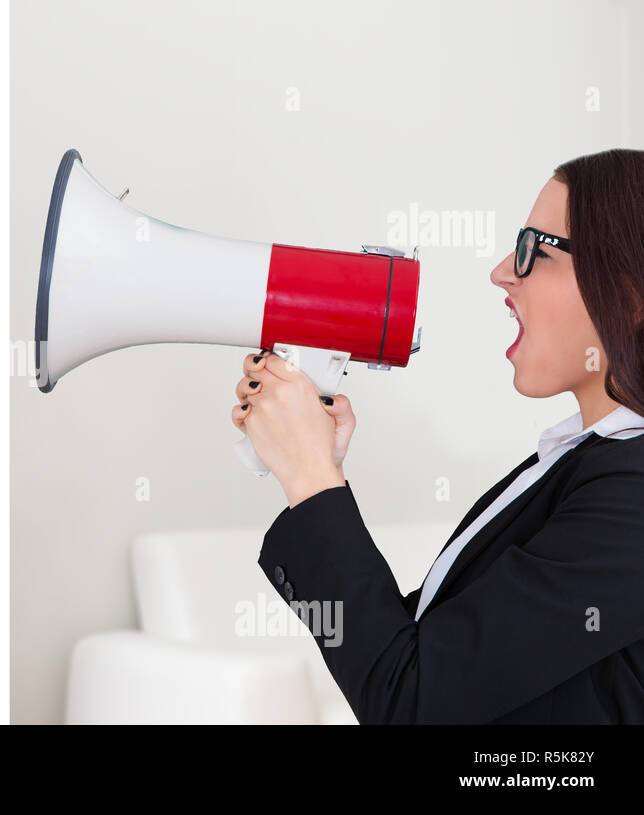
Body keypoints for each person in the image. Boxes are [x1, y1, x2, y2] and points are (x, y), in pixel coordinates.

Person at [232, 148, 644, 723]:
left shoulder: (631, 493)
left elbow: (411, 703)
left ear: (628, 295)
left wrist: (312, 481)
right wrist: (315, 471)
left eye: (534, 250)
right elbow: (424, 655)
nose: (502, 271)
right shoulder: (585, 463)